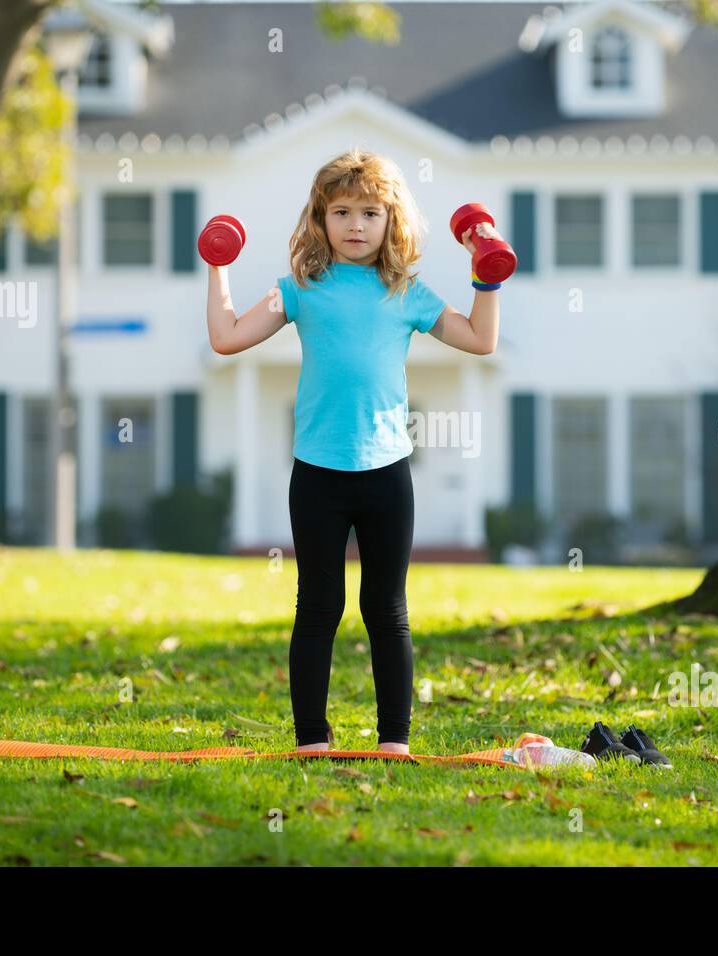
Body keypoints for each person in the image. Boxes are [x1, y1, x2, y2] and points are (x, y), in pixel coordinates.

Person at [205, 148, 503, 754]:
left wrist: (486, 271)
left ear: (392, 221)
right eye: (341, 211)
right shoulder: (299, 290)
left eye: (370, 212)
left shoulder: (408, 294)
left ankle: (394, 738)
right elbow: (227, 337)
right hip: (317, 473)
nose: (356, 225)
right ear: (320, 219)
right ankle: (311, 738)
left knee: (386, 609)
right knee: (318, 606)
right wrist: (218, 267)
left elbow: (480, 339)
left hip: (387, 472)